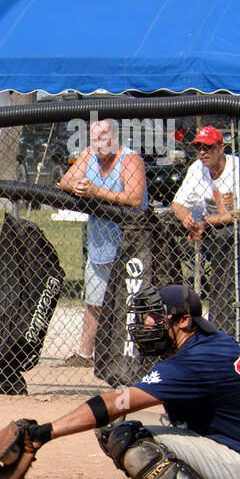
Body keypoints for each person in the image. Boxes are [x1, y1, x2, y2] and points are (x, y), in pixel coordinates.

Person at [0, 284, 240, 479]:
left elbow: (116, 403)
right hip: (239, 462)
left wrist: (43, 433)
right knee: (116, 426)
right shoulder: (210, 344)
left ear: (184, 320)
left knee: (129, 437)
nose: (147, 324)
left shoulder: (195, 360)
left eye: (157, 317)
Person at [57, 119, 147, 366]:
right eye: (94, 139)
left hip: (131, 245)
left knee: (132, 304)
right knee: (94, 303)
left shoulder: (130, 160)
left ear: (115, 139)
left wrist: (97, 192)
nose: (98, 145)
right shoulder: (89, 155)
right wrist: (80, 185)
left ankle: (133, 356)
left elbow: (135, 198)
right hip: (99, 244)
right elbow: (65, 181)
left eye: (103, 139)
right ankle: (85, 355)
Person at [170, 125, 240, 331]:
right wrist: (187, 220)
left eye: (207, 147)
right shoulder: (196, 169)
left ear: (221, 148)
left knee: (227, 237)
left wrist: (205, 222)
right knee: (170, 228)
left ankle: (225, 323)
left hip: (239, 235)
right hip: (206, 232)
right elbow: (177, 204)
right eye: (198, 147)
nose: (202, 152)